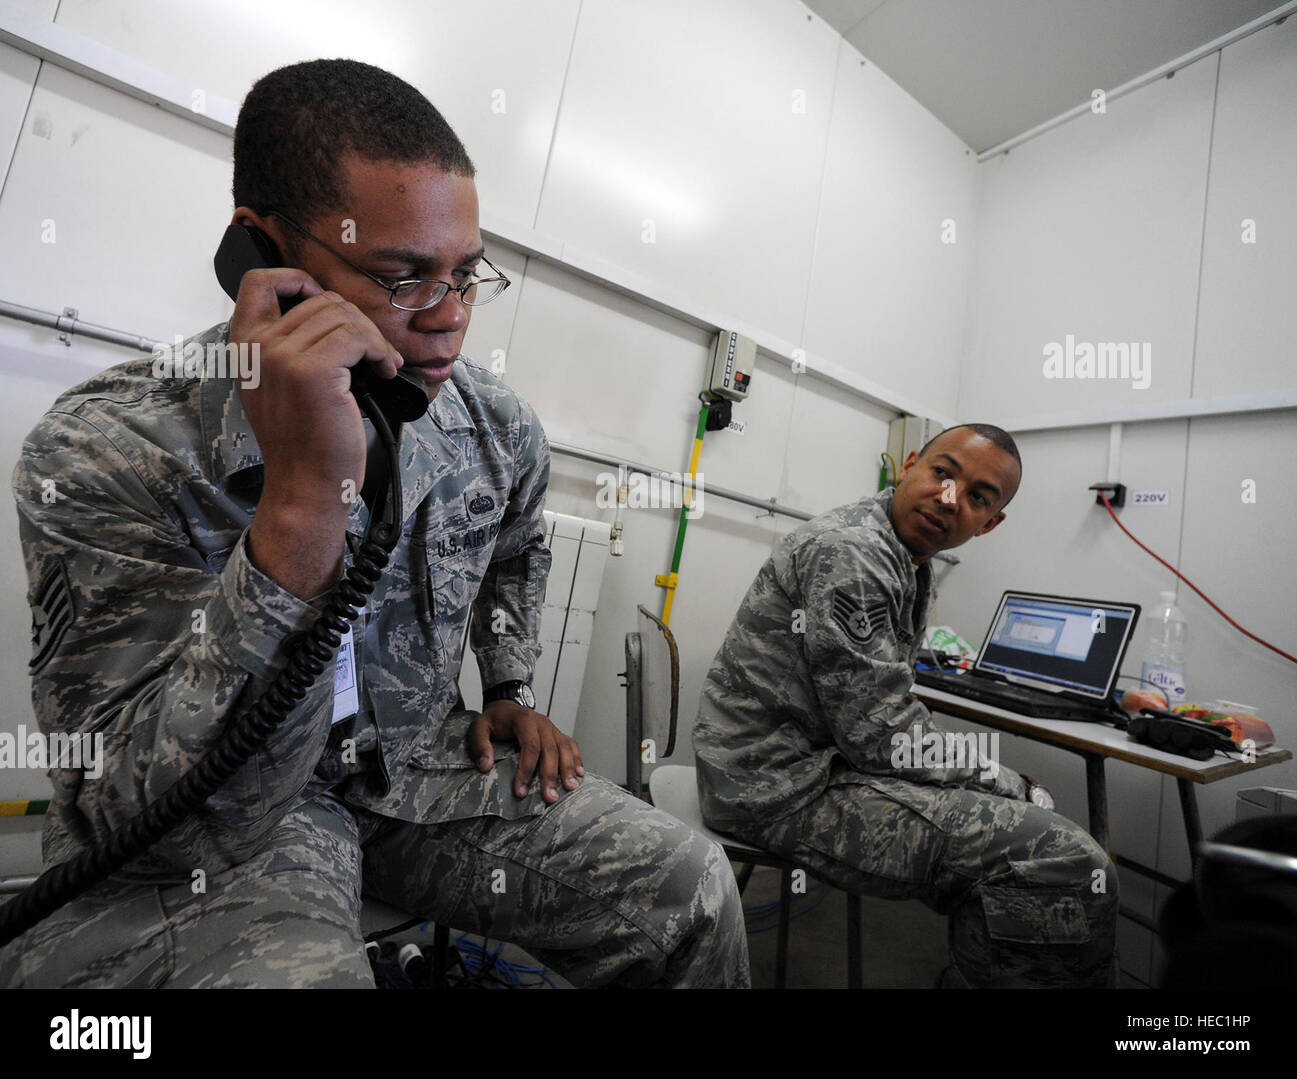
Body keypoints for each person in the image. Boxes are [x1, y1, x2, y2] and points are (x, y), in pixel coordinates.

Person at [0, 59, 748, 989]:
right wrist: (303, 508)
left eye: (467, 275)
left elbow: (519, 545)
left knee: (692, 889)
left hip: (414, 767)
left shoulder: (492, 424)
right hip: (238, 822)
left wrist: (509, 680)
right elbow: (149, 812)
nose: (450, 323)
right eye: (402, 279)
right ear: (261, 253)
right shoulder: (104, 448)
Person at [694, 424, 1117, 987]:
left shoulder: (902, 555)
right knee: (1062, 858)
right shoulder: (855, 553)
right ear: (910, 464)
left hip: (810, 764)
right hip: (773, 787)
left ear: (989, 524)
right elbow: (884, 738)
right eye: (943, 472)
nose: (949, 498)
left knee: (1028, 829)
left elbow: (883, 724)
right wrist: (1008, 782)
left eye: (977, 497)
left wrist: (979, 777)